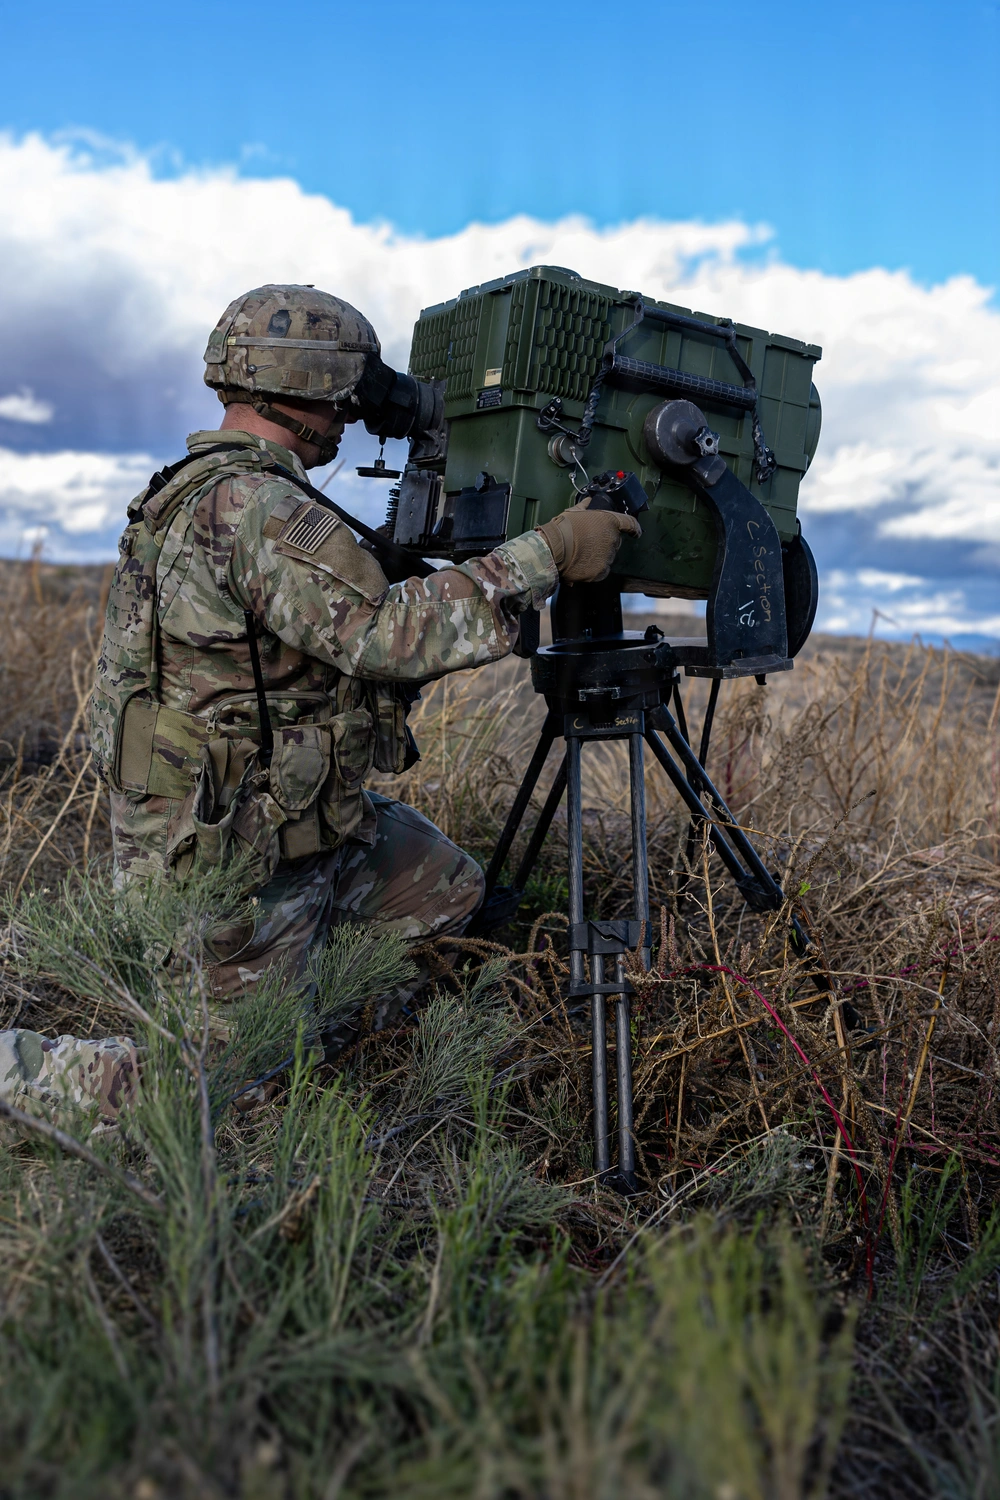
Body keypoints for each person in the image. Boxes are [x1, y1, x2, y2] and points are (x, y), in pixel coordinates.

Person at [2, 283, 640, 1128]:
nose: (350, 418)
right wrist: (547, 552)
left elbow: (332, 651)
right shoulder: (261, 510)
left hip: (291, 822)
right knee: (220, 1098)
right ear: (302, 393)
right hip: (224, 858)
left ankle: (303, 1015)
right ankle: (23, 1067)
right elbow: (384, 636)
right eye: (344, 396)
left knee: (445, 892)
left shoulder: (211, 491)